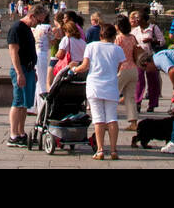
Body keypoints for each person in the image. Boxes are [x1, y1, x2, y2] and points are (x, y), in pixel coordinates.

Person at [69, 22, 126, 159]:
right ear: (114, 36)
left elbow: (84, 66)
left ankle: (100, 150)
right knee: (112, 118)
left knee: (98, 119)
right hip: (111, 86)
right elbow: (118, 68)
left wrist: (74, 69)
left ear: (101, 35)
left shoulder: (91, 46)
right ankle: (113, 150)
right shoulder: (117, 49)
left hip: (94, 86)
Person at [6, 3, 43, 147]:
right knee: (18, 102)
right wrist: (19, 73)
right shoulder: (16, 28)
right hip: (20, 70)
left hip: (28, 69)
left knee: (24, 104)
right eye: (39, 21)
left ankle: (21, 133)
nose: (40, 24)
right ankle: (13, 135)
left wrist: (32, 70)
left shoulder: (28, 29)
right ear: (32, 16)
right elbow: (13, 52)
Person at [130, 6, 163, 112]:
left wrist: (152, 40)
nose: (136, 20)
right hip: (139, 58)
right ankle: (137, 101)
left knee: (153, 80)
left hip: (151, 57)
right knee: (139, 80)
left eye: (138, 18)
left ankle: (152, 104)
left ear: (144, 20)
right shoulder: (135, 31)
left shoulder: (153, 28)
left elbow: (162, 41)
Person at [112, 14, 139, 132]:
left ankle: (110, 122)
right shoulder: (132, 37)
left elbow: (114, 55)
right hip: (133, 69)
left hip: (122, 69)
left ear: (118, 26)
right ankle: (133, 122)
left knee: (112, 96)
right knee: (130, 97)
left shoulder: (118, 39)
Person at [52, 15, 86, 87]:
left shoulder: (66, 39)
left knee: (57, 84)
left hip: (70, 66)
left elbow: (60, 54)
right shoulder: (82, 42)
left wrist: (56, 55)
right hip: (81, 67)